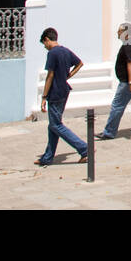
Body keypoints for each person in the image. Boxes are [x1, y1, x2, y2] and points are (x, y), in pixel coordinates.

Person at [36, 27, 88, 166]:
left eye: (44, 44)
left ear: (47, 39)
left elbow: (50, 75)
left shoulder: (53, 53)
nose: (45, 47)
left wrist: (44, 97)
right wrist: (68, 75)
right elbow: (80, 63)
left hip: (55, 92)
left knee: (56, 125)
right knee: (53, 125)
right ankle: (47, 157)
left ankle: (83, 148)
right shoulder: (65, 51)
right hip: (64, 90)